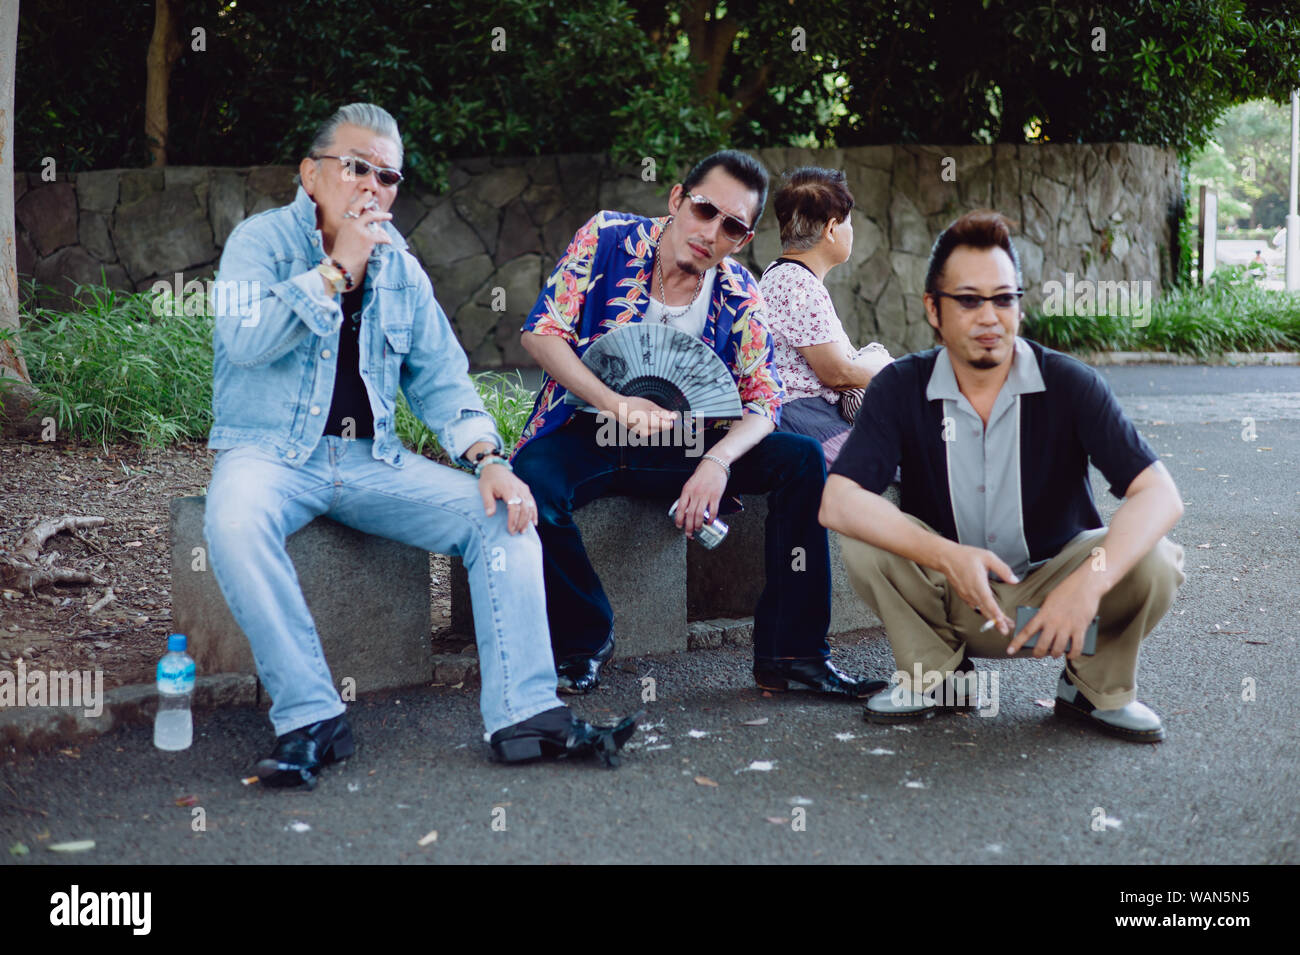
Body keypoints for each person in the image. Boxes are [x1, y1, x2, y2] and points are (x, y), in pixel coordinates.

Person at [203, 103, 637, 788]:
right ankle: (311, 719)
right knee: (232, 522)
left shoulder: (400, 268)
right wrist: (336, 271)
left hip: (370, 461)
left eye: (388, 176)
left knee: (504, 515)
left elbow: (440, 378)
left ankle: (526, 714)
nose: (372, 186)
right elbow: (244, 339)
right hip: (269, 454)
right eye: (356, 167)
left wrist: (489, 460)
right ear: (311, 174)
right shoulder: (260, 243)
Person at [511, 150, 888, 700]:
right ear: (677, 199)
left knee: (801, 460)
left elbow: (764, 400)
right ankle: (583, 639)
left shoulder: (740, 293)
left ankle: (793, 656)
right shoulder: (608, 238)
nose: (712, 232)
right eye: (705, 210)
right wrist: (615, 403)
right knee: (530, 483)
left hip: (684, 443)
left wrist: (716, 462)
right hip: (590, 429)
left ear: (745, 238)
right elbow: (542, 332)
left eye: (732, 226)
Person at [819, 210, 1185, 742]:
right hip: (954, 598)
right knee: (863, 534)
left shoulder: (1071, 384)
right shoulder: (899, 386)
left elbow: (1160, 495)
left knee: (1155, 558)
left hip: (1057, 607)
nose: (989, 317)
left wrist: (1089, 583)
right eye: (969, 300)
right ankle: (938, 678)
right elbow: (838, 500)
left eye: (1004, 299)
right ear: (933, 309)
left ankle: (1093, 688)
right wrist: (948, 556)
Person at [759, 167, 893, 467]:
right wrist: (891, 371)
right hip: (804, 417)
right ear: (831, 229)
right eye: (849, 223)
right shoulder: (797, 283)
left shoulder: (780, 274)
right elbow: (837, 373)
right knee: (901, 464)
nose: (851, 231)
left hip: (800, 414)